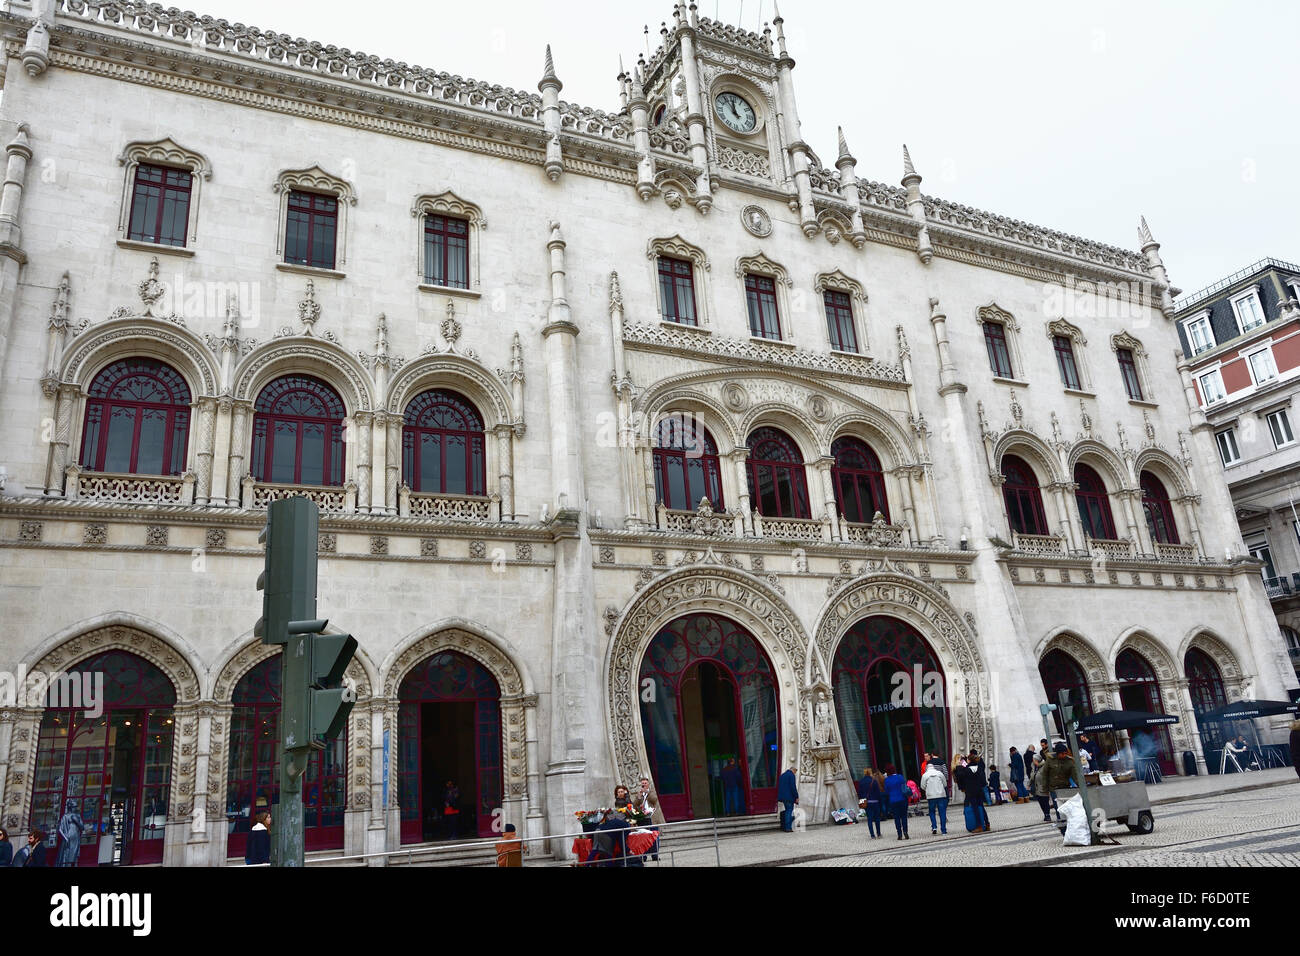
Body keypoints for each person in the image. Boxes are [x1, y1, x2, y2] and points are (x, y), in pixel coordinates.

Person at [1041, 742, 1079, 827]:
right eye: (1062, 753)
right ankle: (1063, 829)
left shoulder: (1069, 761)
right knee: (1059, 810)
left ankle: (1070, 826)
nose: (1064, 755)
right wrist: (1045, 789)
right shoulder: (1050, 760)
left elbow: (1075, 776)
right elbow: (1045, 774)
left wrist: (1081, 786)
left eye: (1065, 753)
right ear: (1058, 753)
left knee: (1068, 809)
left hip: (1065, 788)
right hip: (1054, 789)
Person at [920, 755, 949, 835]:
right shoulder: (939, 773)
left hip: (931, 796)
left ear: (927, 767)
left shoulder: (925, 775)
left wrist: (928, 789)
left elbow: (922, 786)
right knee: (942, 812)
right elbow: (945, 783)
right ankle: (943, 830)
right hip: (940, 795)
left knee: (932, 811)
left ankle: (934, 826)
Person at [882, 764, 910, 840]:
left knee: (896, 818)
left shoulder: (887, 780)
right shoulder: (900, 777)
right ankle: (905, 831)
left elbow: (886, 791)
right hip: (902, 799)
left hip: (893, 800)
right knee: (904, 816)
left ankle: (899, 834)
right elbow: (905, 786)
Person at [56, 799, 84, 867]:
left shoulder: (78, 816)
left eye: (75, 807)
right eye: (74, 807)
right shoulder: (65, 816)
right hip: (68, 839)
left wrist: (76, 821)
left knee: (74, 856)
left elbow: (82, 827)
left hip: (76, 839)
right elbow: (60, 829)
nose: (75, 808)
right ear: (70, 807)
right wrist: (66, 838)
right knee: (67, 855)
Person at [862, 768, 885, 839]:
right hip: (875, 802)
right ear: (870, 773)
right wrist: (881, 805)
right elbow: (878, 794)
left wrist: (862, 803)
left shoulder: (861, 782)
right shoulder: (874, 781)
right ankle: (878, 833)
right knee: (877, 819)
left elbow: (860, 794)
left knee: (869, 819)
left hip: (867, 803)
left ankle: (872, 835)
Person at [777, 761, 799, 832]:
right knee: (789, 811)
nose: (795, 773)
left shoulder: (782, 775)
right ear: (794, 770)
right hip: (789, 797)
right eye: (795, 772)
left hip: (783, 797)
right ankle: (788, 828)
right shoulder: (791, 775)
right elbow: (793, 787)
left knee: (787, 811)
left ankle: (784, 826)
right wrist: (796, 797)